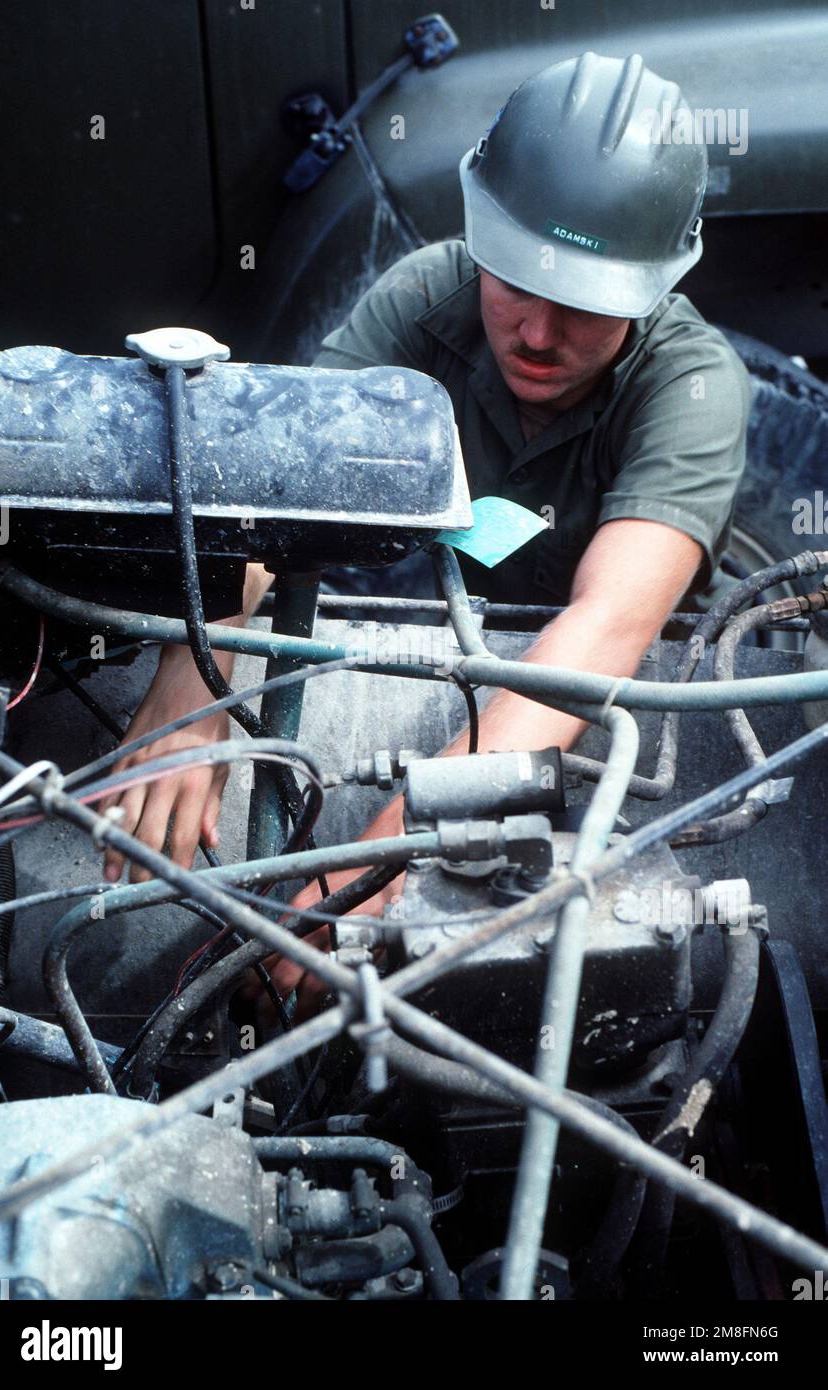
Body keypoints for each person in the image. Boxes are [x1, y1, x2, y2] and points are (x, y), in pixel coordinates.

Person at [101, 53, 751, 1009]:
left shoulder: (694, 386)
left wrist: (364, 878)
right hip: (418, 636)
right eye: (515, 284)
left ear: (653, 290)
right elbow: (278, 497)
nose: (534, 333)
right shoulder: (423, 297)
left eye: (583, 307)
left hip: (600, 703)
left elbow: (606, 630)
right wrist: (189, 691)